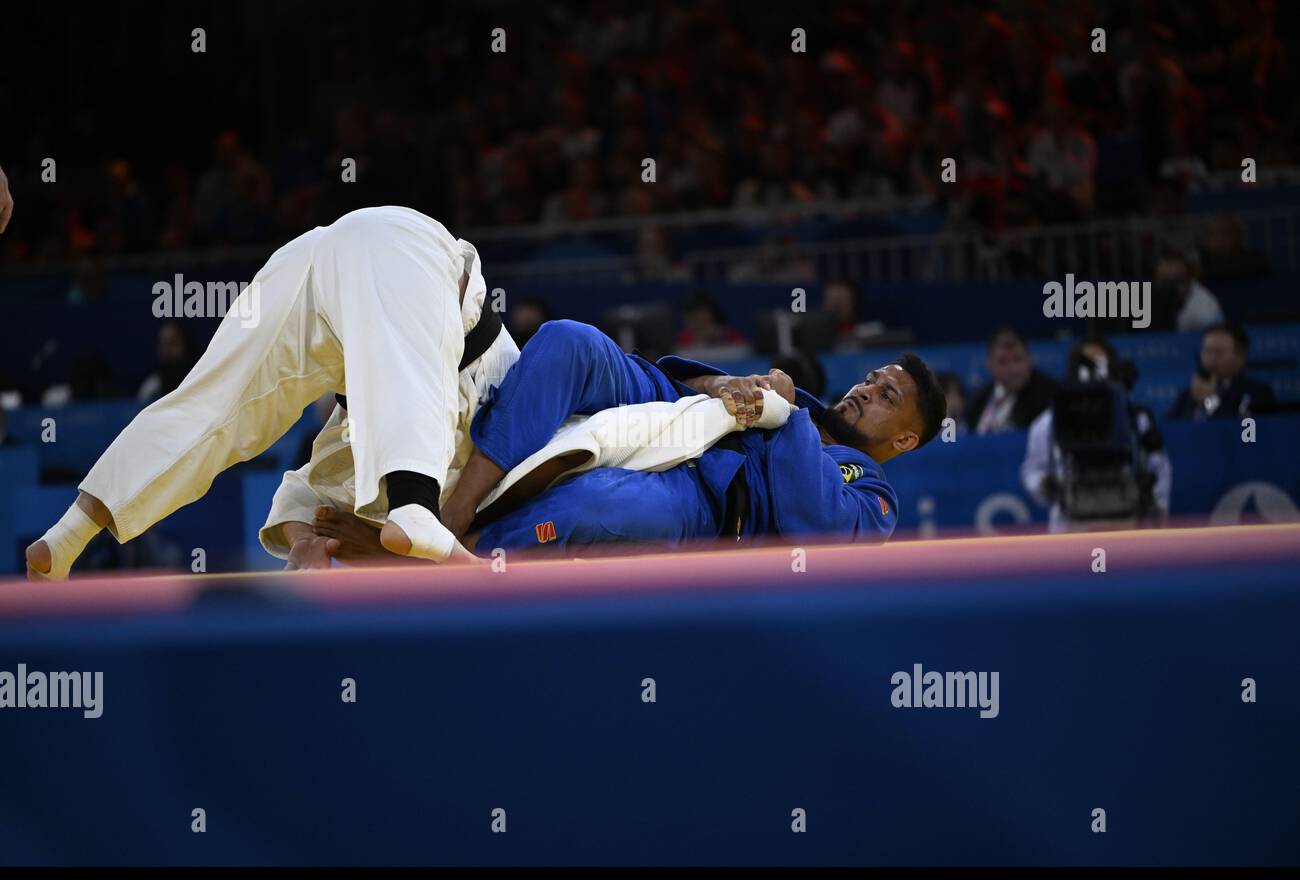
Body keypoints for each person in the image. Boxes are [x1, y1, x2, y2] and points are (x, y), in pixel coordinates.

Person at [25, 206, 518, 579]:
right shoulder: (511, 419)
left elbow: (298, 495)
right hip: (411, 257)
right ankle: (415, 508)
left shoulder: (365, 433)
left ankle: (70, 531)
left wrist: (304, 542)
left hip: (312, 256)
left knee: (209, 406)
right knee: (411, 375)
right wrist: (461, 555)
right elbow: (569, 366)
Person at [297, 320, 947, 560]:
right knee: (570, 342)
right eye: (870, 378)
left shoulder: (875, 498)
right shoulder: (802, 403)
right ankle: (452, 518)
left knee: (604, 507)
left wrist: (784, 418)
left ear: (909, 439)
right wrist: (724, 385)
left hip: (706, 497)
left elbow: (821, 527)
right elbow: (679, 373)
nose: (865, 390)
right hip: (676, 405)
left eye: (887, 395)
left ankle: (443, 559)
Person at [1021, 336, 1171, 532]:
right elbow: (1033, 470)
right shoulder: (1048, 422)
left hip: (1128, 519)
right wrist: (1042, 486)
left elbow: (1158, 466)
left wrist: (1160, 507)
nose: (1093, 372)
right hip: (1069, 523)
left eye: (1100, 364)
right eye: (1086, 364)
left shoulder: (1134, 417)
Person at [1169, 323, 1275, 421]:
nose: (1211, 358)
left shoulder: (1257, 392)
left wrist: (1209, 401)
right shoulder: (1187, 395)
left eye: (1218, 352)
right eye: (1207, 351)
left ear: (1240, 357)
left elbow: (1240, 431)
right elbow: (1171, 429)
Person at [966, 327, 1057, 434]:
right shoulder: (979, 399)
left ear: (1029, 358)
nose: (1012, 369)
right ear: (990, 363)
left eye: (1017, 359)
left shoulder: (1049, 396)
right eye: (1003, 361)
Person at [1152, 249, 1224, 333]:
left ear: (1190, 279)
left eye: (1177, 281)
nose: (1169, 288)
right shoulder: (1144, 299)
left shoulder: (1206, 311)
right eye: (1164, 282)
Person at [138, 320, 198, 402]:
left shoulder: (199, 379)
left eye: (172, 343)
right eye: (163, 344)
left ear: (186, 344)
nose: (167, 350)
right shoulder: (151, 388)